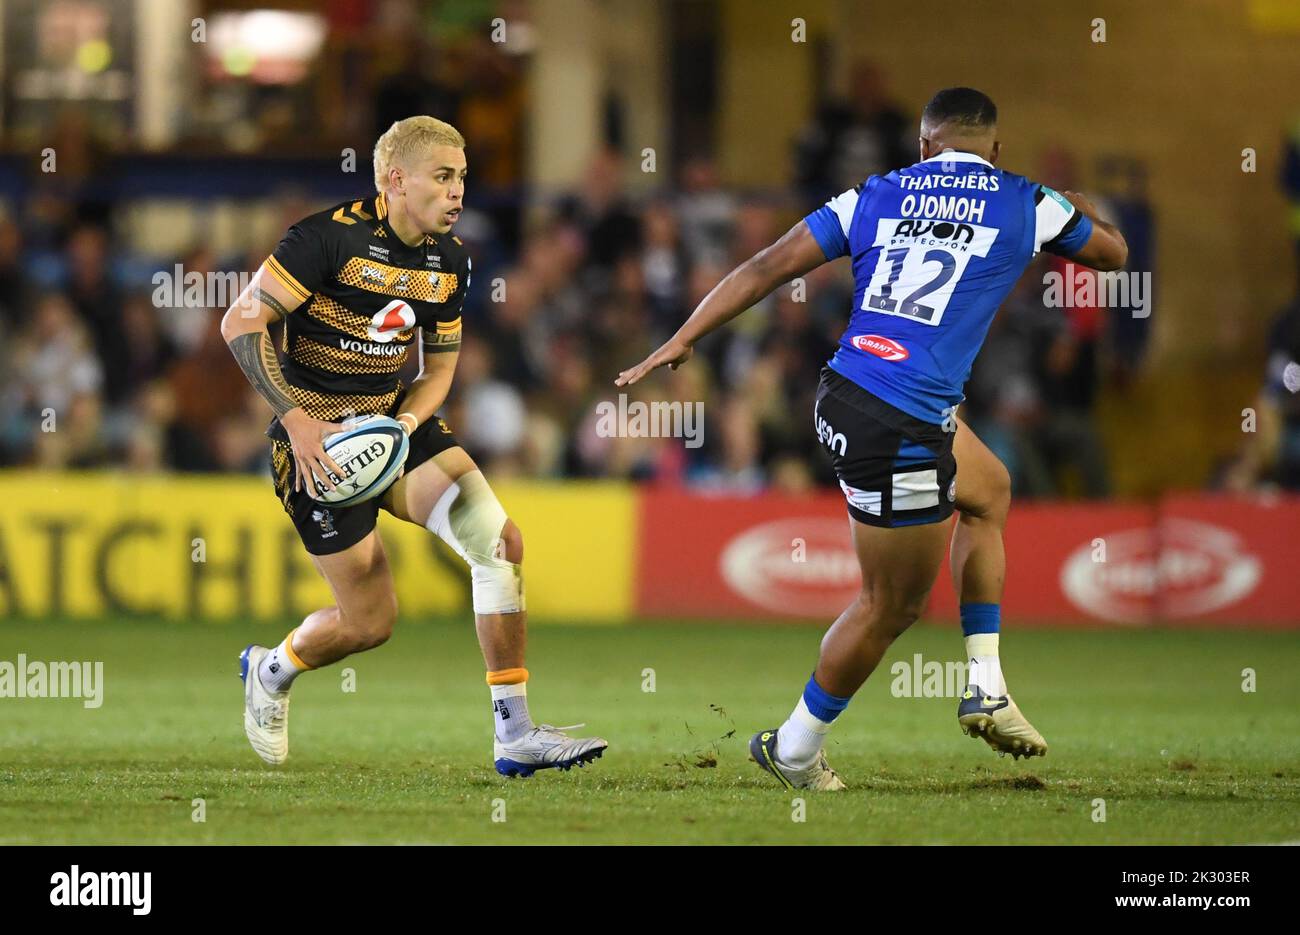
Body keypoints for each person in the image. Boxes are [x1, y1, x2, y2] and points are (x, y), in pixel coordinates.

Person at [618, 88, 1127, 790]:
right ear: (995, 149)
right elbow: (1113, 253)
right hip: (902, 419)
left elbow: (769, 264)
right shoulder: (1026, 200)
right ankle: (793, 747)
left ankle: (985, 681)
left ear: (924, 146)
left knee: (988, 490)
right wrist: (1079, 205)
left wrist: (683, 337)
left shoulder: (876, 193)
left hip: (854, 393)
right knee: (890, 605)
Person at [220, 116, 606, 777]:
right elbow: (240, 319)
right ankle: (272, 666)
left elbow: (439, 370)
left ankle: (514, 734)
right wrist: (295, 418)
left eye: (463, 178)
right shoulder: (323, 239)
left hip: (394, 424)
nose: (458, 192)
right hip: (318, 447)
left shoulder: (449, 258)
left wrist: (404, 426)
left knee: (498, 542)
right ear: (396, 179)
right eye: (444, 177)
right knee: (370, 621)